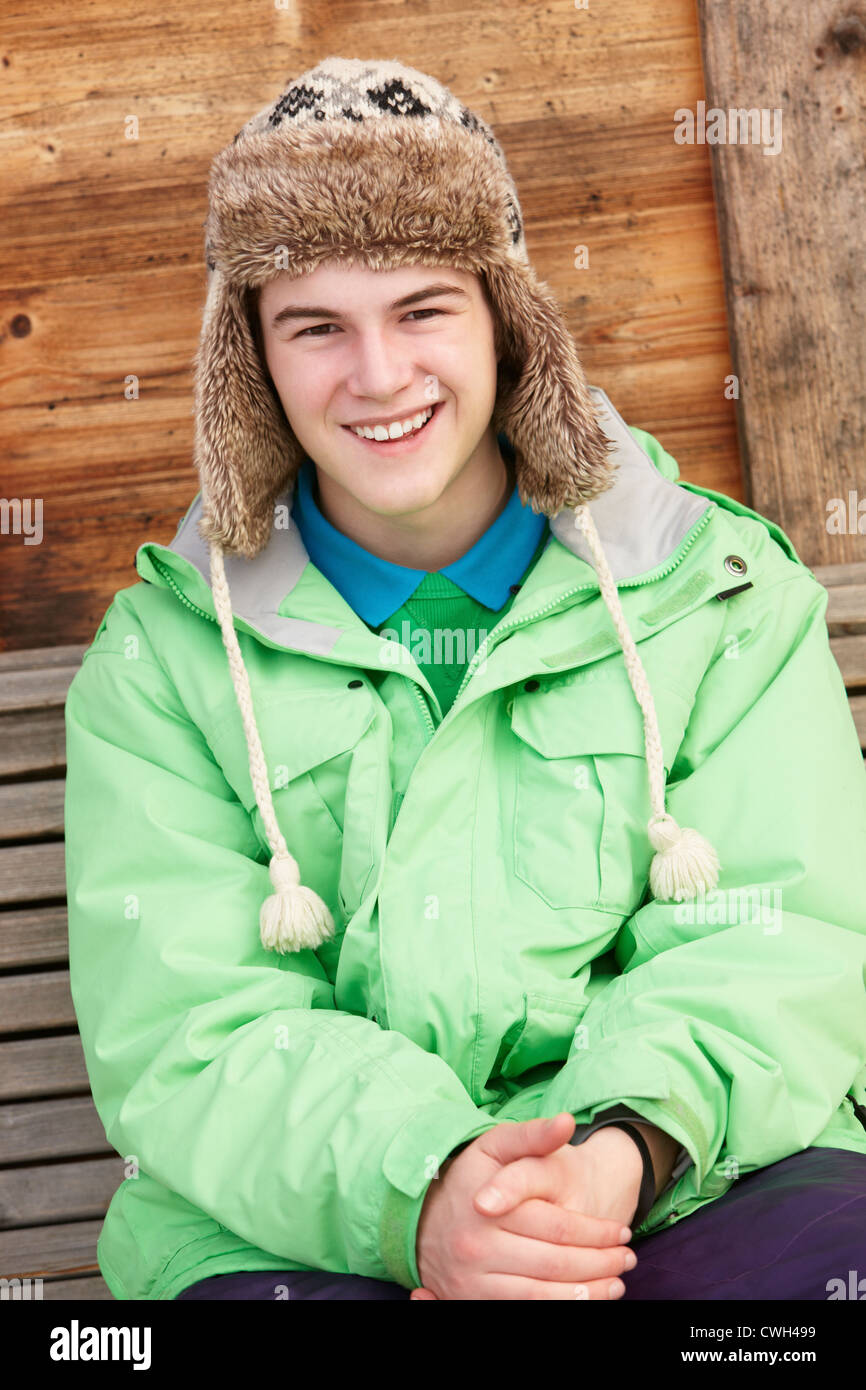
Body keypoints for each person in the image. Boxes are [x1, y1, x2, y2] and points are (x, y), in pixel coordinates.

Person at [64, 56, 866, 1303]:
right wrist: (429, 1190)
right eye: (315, 326)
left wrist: (617, 1154)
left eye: (422, 308)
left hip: (684, 1177)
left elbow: (780, 931)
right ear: (253, 363)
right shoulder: (161, 662)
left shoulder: (714, 590)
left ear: (504, 316)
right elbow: (185, 1024)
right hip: (301, 1224)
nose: (378, 378)